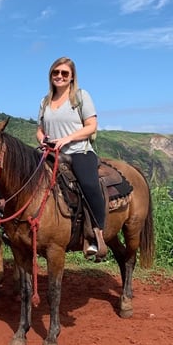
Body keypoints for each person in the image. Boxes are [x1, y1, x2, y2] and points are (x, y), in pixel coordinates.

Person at [35, 57, 107, 259]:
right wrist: (43, 140)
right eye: (55, 72)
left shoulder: (81, 97)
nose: (59, 76)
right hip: (50, 152)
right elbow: (39, 129)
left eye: (64, 73)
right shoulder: (45, 101)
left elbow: (91, 126)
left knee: (89, 184)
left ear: (72, 76)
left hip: (78, 151)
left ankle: (96, 234)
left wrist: (66, 139)